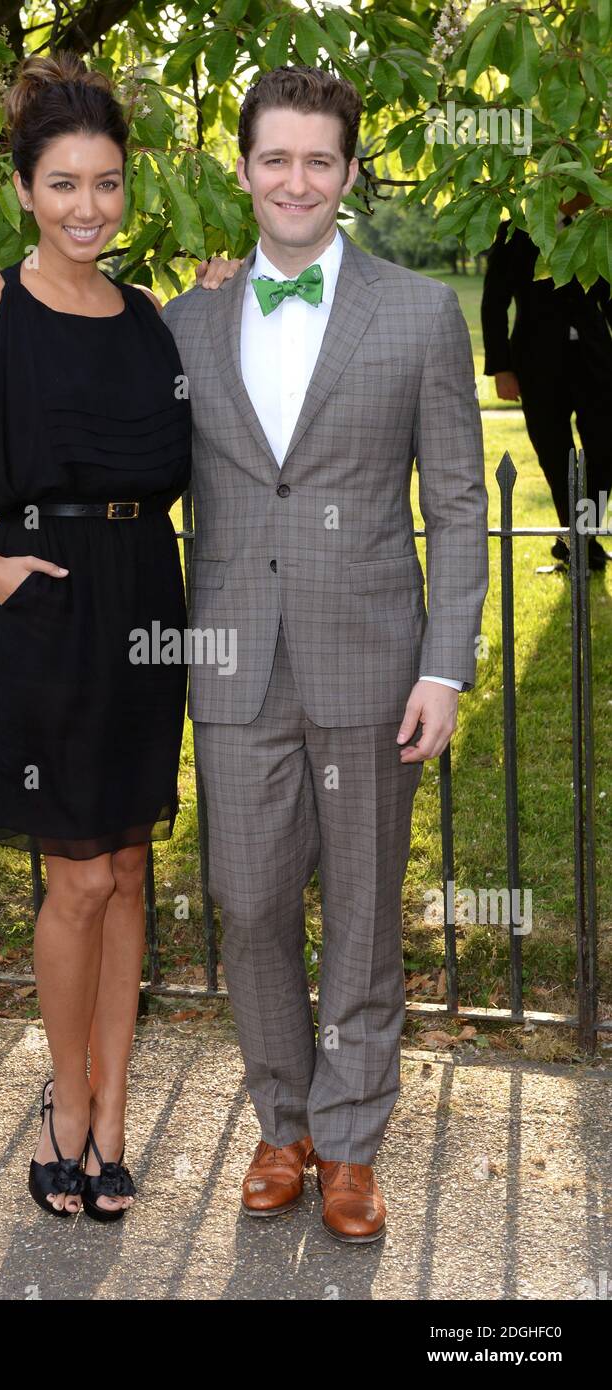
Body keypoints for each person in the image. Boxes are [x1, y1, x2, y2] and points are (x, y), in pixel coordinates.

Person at [0, 51, 234, 1223]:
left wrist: (221, 293)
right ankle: (66, 1108)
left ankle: (117, 1113)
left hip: (146, 602)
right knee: (77, 877)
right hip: (44, 606)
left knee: (132, 866)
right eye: (65, 185)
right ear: (26, 190)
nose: (90, 208)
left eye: (108, 185)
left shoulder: (151, 320)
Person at [160, 64, 489, 1242]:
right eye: (273, 158)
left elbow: (457, 503)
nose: (295, 180)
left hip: (374, 665)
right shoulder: (186, 323)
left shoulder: (417, 314)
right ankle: (280, 1115)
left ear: (349, 172)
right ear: (241, 170)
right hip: (234, 666)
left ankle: (345, 1144)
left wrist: (445, 666)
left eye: (318, 159)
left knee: (359, 911)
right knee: (244, 902)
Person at [481, 197, 612, 574]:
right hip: (536, 367)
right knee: (557, 459)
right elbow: (494, 303)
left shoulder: (597, 227)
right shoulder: (515, 231)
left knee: (606, 450)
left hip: (597, 361)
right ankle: (578, 546)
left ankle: (575, 540)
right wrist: (501, 369)